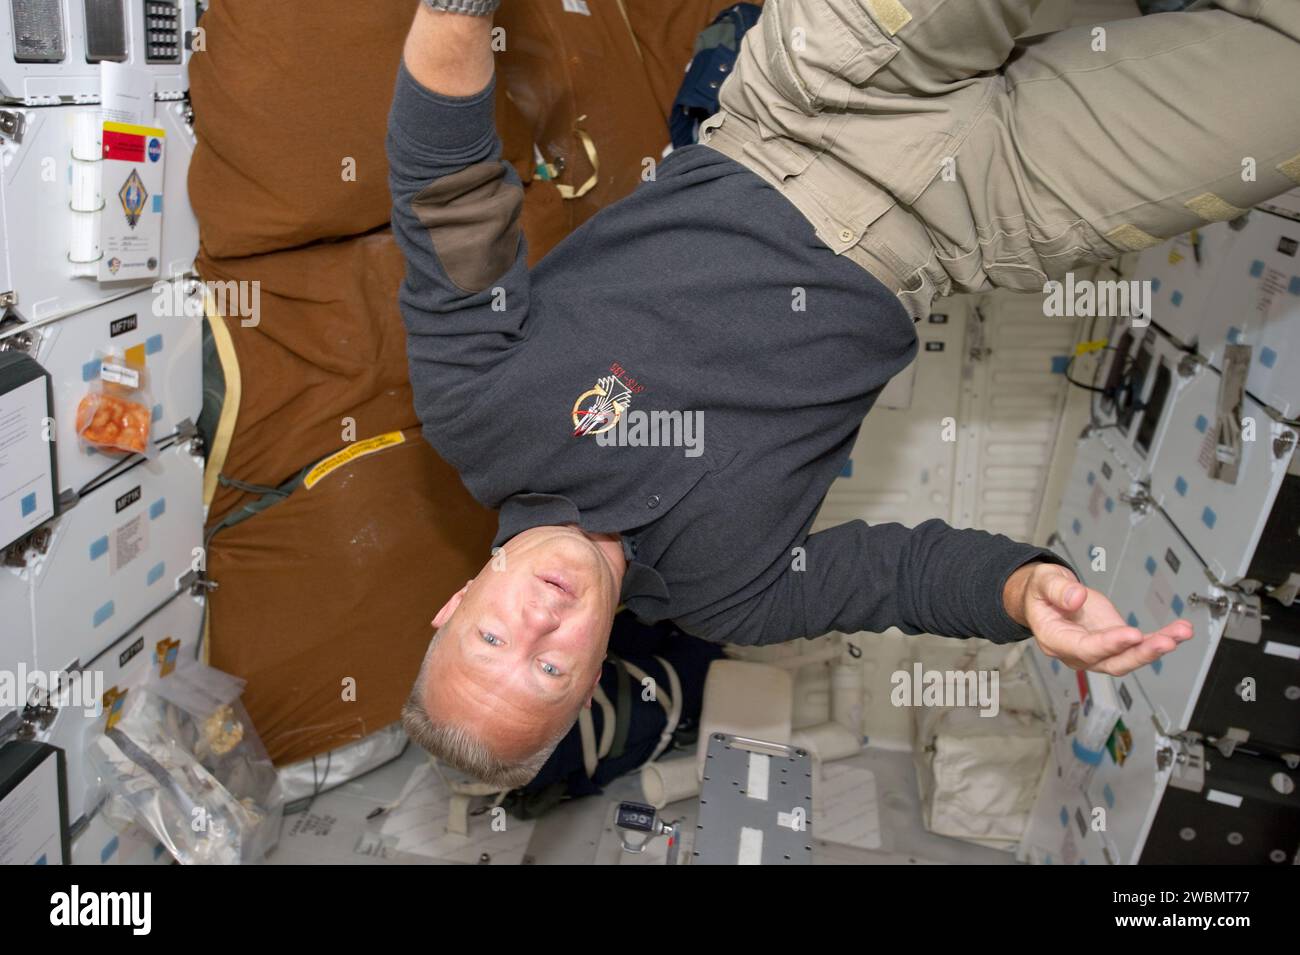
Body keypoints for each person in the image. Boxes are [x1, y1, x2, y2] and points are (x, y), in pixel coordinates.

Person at [387, 0, 1296, 787]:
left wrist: (456, 9)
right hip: (973, 224)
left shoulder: (475, 406)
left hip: (818, 109)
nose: (539, 620)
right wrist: (1023, 593)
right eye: (547, 667)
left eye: (492, 640)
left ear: (453, 605)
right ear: (590, 679)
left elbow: (451, 193)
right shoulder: (730, 599)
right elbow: (897, 576)